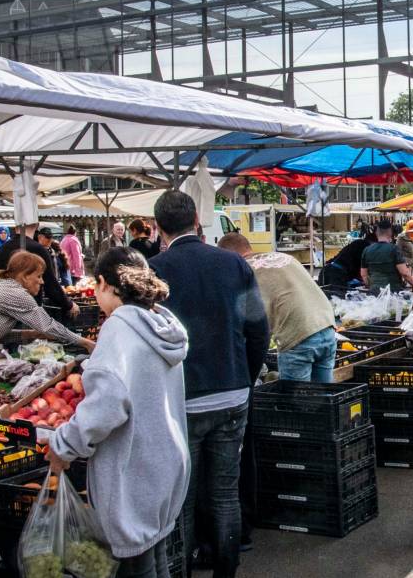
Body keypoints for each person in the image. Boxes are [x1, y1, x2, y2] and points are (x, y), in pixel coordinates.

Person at [46, 247, 189, 577]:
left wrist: (65, 444)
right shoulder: (160, 325)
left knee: (136, 565)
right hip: (165, 463)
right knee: (155, 558)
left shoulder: (119, 330)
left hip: (132, 471)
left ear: (102, 283)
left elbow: (107, 405)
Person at [149, 191, 269, 578]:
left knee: (182, 496)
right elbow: (258, 329)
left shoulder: (153, 269)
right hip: (232, 392)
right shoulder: (234, 264)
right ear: (198, 221)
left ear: (158, 228)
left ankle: (180, 569)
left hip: (181, 399)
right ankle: (225, 571)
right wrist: (244, 378)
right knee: (224, 493)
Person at [218, 232, 336, 382]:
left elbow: (250, 322)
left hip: (297, 336)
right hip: (327, 327)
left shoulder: (244, 270)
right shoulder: (283, 257)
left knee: (298, 401)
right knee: (323, 397)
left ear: (228, 256)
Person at [0, 252, 96, 352]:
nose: (42, 281)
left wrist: (31, 334)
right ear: (24, 276)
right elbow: (49, 326)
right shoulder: (16, 294)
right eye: (38, 276)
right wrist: (86, 343)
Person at [0, 224, 78, 322]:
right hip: (29, 310)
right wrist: (69, 305)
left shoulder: (2, 249)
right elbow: (50, 284)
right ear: (36, 226)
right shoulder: (38, 249)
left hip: (4, 309)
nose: (41, 281)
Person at [360, 219, 413, 292]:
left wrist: (372, 286)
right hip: (393, 292)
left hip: (374, 293)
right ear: (390, 232)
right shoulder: (394, 249)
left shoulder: (366, 250)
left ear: (376, 233)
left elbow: (363, 275)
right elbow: (404, 273)